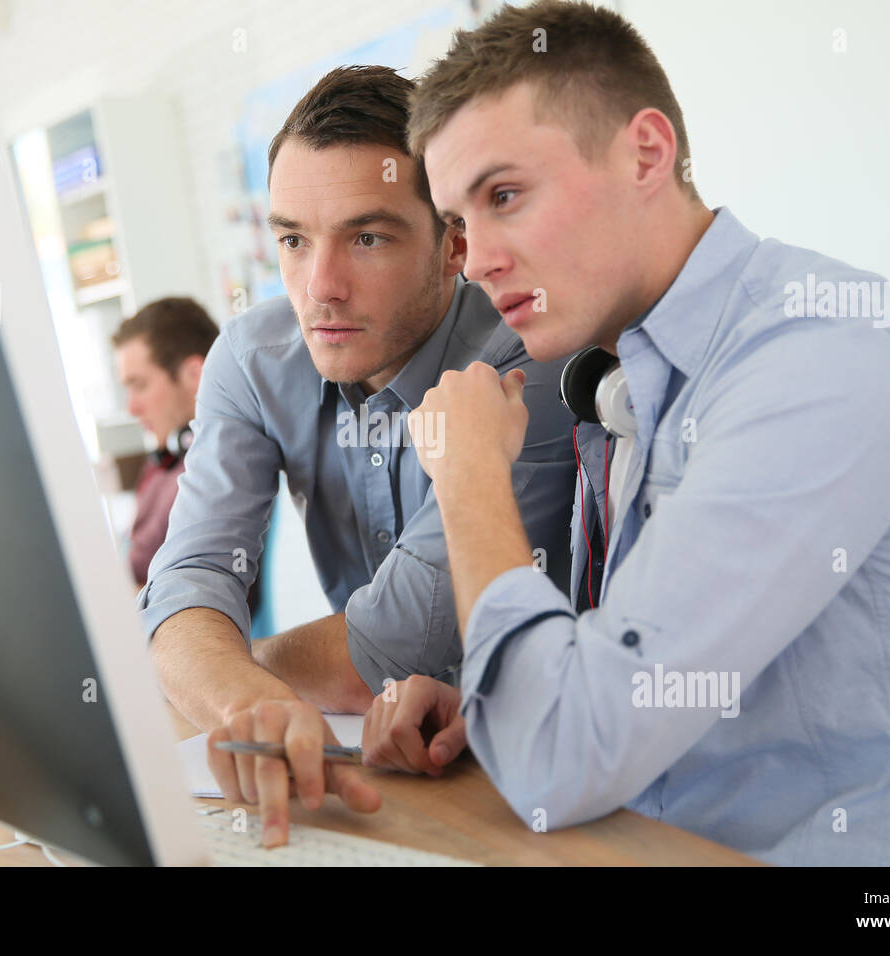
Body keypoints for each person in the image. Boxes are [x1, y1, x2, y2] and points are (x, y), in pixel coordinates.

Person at [388, 0, 890, 865]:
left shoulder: (817, 354)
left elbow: (559, 758)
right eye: (461, 223)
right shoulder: (624, 374)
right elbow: (615, 695)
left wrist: (467, 477)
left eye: (505, 196)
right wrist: (495, 700)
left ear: (647, 152)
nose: (480, 257)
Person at [137, 65, 577, 847]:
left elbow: (400, 641)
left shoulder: (526, 358)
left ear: (455, 244)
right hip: (403, 764)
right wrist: (247, 704)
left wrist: (237, 664)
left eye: (367, 237)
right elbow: (187, 581)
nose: (320, 288)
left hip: (554, 781)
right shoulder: (254, 355)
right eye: (293, 240)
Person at [112, 297, 218, 587]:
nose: (131, 407)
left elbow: (188, 599)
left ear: (194, 375)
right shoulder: (166, 457)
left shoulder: (217, 474)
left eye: (140, 385)